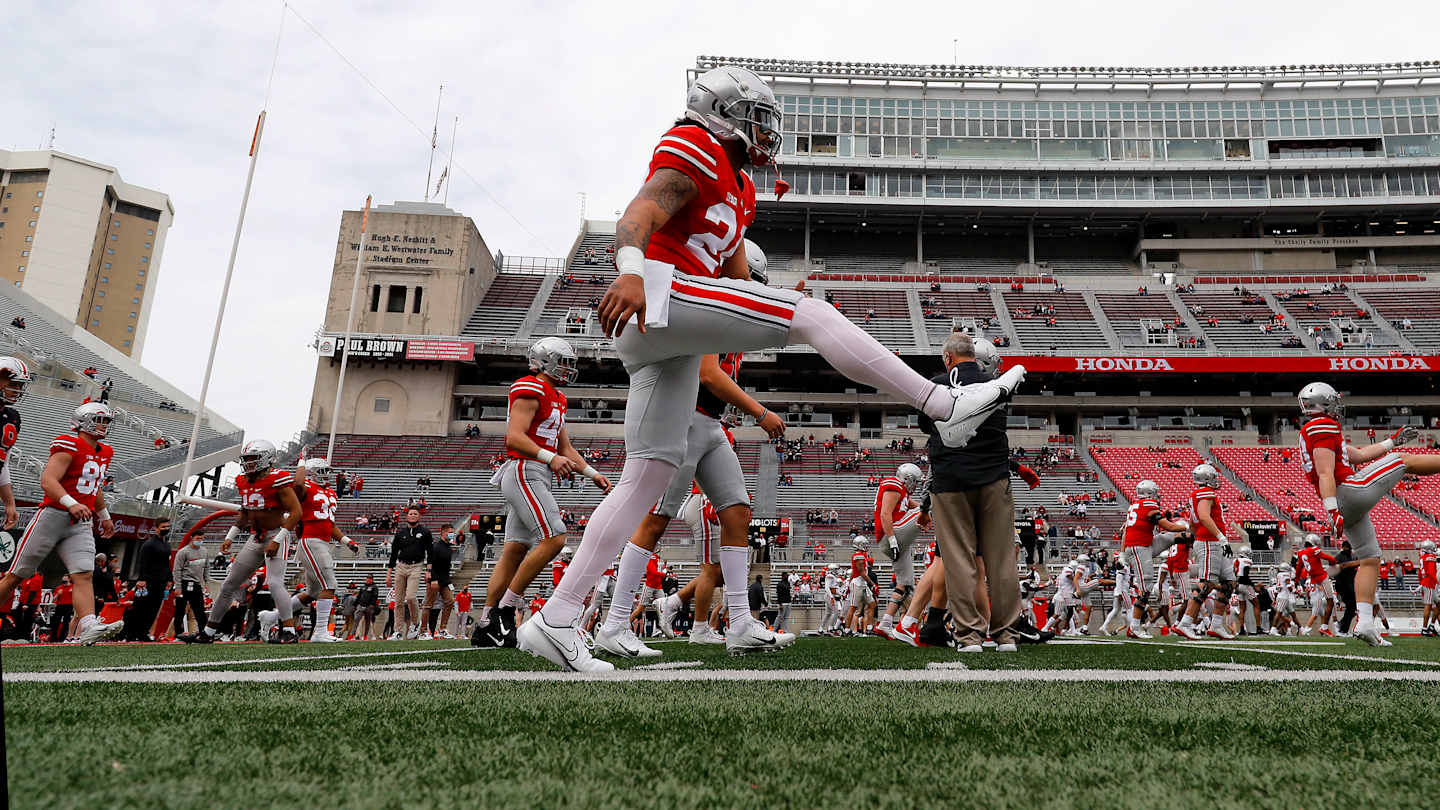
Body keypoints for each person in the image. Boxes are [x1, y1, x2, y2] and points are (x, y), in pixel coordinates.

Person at [519, 65, 1022, 674]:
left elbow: (736, 279)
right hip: (657, 292)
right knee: (813, 314)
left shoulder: (739, 189)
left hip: (671, 328)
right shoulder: (696, 143)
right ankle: (943, 405)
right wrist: (630, 270)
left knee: (645, 478)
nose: (766, 132)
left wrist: (771, 310)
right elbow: (639, 214)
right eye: (757, 118)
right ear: (723, 114)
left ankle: (557, 618)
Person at [472, 338, 611, 649]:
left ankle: (485, 625)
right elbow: (514, 438)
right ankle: (505, 610)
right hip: (525, 469)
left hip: (537, 471)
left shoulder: (558, 397)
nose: (568, 369)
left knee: (515, 550)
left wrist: (592, 474)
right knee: (555, 537)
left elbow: (565, 448)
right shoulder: (530, 386)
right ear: (544, 361)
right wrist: (550, 459)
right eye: (563, 362)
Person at [1296, 381, 1439, 646]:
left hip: (1344, 501)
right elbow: (1326, 472)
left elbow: (1358, 455)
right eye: (1333, 402)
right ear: (1323, 403)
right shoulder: (1322, 425)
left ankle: (1364, 623)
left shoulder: (1313, 431)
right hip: (1347, 492)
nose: (1337, 406)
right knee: (1403, 460)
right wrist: (1332, 509)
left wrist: (1391, 441)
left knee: (1370, 559)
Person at [915, 334, 1028, 652]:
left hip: (950, 481)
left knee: (959, 559)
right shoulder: (997, 383)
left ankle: (969, 636)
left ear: (948, 358)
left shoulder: (937, 385)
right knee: (1001, 560)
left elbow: (925, 425)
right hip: (994, 478)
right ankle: (1007, 635)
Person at [0, 402, 121, 645]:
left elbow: (94, 486)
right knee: (17, 575)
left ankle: (89, 625)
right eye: (100, 420)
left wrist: (105, 515)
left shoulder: (105, 451)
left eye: (107, 421)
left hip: (80, 520)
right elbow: (48, 480)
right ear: (84, 421)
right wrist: (71, 503)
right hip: (53, 515)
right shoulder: (68, 444)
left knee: (83, 573)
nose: (104, 425)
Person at [181, 439, 303, 644]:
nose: (248, 463)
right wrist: (230, 536)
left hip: (276, 534)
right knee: (229, 585)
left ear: (267, 459)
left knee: (274, 583)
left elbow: (296, 512)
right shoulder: (243, 481)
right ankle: (208, 632)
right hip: (256, 537)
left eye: (253, 459)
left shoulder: (277, 478)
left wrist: (278, 540)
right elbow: (245, 513)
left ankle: (290, 632)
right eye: (246, 459)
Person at [259, 458, 357, 643]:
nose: (326, 475)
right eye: (321, 471)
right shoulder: (305, 488)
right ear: (310, 472)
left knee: (312, 592)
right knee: (329, 584)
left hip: (322, 542)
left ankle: (272, 617)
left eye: (327, 471)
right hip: (311, 541)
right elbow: (298, 484)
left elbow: (329, 524)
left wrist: (346, 541)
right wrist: (301, 462)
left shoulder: (330, 492)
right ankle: (320, 632)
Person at [1118, 480, 1190, 639]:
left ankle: (1193, 545)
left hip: (1145, 544)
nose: (1158, 495)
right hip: (1139, 548)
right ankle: (1134, 628)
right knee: (1146, 588)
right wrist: (1188, 526)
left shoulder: (1135, 505)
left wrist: (1122, 553)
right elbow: (1169, 526)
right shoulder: (1149, 504)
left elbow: (1125, 532)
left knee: (1172, 537)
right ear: (1150, 493)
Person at [1175, 465, 1237, 641]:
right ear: (1208, 478)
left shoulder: (1198, 494)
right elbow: (1203, 516)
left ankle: (1216, 625)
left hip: (1210, 541)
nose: (1217, 480)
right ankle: (1185, 623)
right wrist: (1220, 538)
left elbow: (1192, 523)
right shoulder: (1205, 493)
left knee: (1229, 583)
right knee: (1207, 583)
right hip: (1210, 542)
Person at [873, 463, 929, 638]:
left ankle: (886, 622)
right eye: (916, 481)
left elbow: (914, 505)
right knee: (930, 505)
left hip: (895, 537)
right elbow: (885, 514)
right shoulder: (894, 484)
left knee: (905, 582)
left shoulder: (903, 492)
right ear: (908, 478)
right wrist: (892, 541)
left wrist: (925, 516)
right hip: (891, 535)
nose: (916, 485)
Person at [123, 517, 174, 641]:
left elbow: (167, 564)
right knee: (141, 607)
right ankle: (130, 633)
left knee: (154, 608)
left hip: (161, 581)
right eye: (163, 527)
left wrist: (169, 579)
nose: (166, 529)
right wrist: (142, 579)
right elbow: (143, 563)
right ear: (156, 528)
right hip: (148, 581)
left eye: (168, 527)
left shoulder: (167, 545)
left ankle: (143, 633)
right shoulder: (149, 544)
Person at [387, 507, 432, 640]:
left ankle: (415, 623)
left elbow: (430, 552)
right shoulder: (400, 533)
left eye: (415, 514)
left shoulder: (425, 532)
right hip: (401, 566)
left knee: (411, 597)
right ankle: (397, 631)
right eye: (410, 513)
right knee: (398, 601)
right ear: (407, 516)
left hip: (416, 566)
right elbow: (393, 554)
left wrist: (428, 571)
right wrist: (389, 574)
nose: (412, 515)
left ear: (419, 516)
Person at [171, 526, 208, 637]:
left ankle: (203, 632)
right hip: (184, 583)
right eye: (197, 538)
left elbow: (207, 568)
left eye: (201, 538)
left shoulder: (204, 551)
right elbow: (177, 569)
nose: (200, 540)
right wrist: (178, 586)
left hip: (196, 584)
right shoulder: (183, 552)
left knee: (200, 610)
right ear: (192, 538)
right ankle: (178, 633)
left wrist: (206, 582)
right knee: (180, 610)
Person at [421, 525, 456, 639]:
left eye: (453, 532)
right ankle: (423, 631)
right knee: (428, 605)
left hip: (445, 581)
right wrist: (433, 579)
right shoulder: (435, 546)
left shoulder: (449, 547)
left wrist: (449, 582)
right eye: (450, 532)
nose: (452, 534)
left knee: (450, 601)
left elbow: (446, 567)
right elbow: (430, 564)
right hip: (434, 580)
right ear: (443, 533)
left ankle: (443, 629)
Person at [49, 575, 74, 642]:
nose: (64, 582)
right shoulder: (59, 588)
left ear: (69, 579)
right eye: (63, 581)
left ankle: (62, 638)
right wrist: (58, 594)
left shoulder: (73, 587)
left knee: (66, 622)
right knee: (56, 622)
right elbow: (53, 599)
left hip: (69, 606)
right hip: (60, 606)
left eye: (65, 581)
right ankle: (53, 639)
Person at [354, 575, 380, 640]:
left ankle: (369, 635)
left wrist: (372, 605)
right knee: (359, 620)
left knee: (369, 622)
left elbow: (375, 597)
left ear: (372, 580)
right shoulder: (363, 587)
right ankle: (357, 635)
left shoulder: (374, 587)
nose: (368, 580)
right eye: (367, 578)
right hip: (361, 606)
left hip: (369, 607)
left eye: (370, 578)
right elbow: (359, 596)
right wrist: (356, 604)